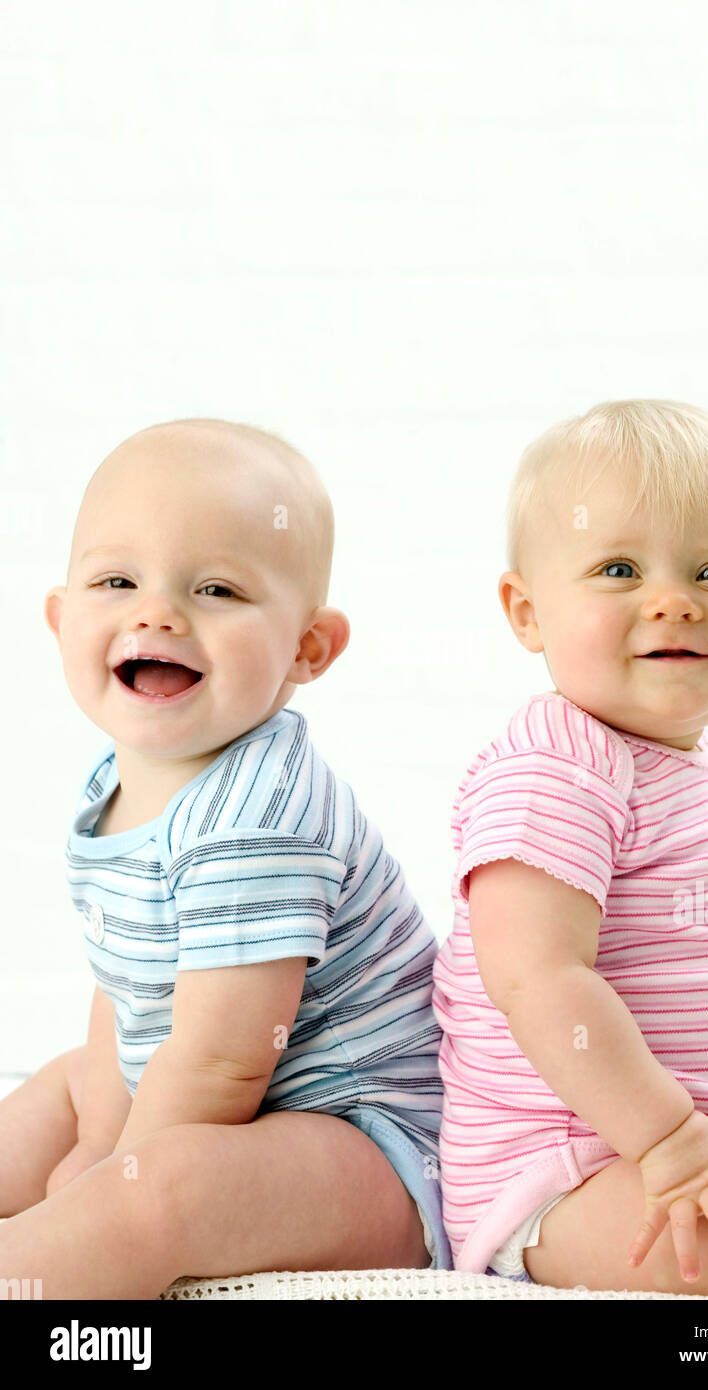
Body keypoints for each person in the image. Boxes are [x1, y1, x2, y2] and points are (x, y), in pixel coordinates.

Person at [0, 417, 449, 1297]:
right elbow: (130, 990)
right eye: (117, 580)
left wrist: (110, 1179)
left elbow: (222, 1061)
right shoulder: (120, 783)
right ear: (60, 622)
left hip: (371, 1139)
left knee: (166, 1190)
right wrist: (95, 1135)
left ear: (307, 647)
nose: (156, 611)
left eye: (215, 589)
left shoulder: (258, 813)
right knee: (67, 1087)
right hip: (237, 1097)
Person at [432, 398, 708, 1296]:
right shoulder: (560, 757)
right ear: (528, 612)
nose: (673, 601)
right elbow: (539, 979)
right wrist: (668, 1139)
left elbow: (677, 956)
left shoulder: (693, 767)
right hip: (581, 1173)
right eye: (619, 568)